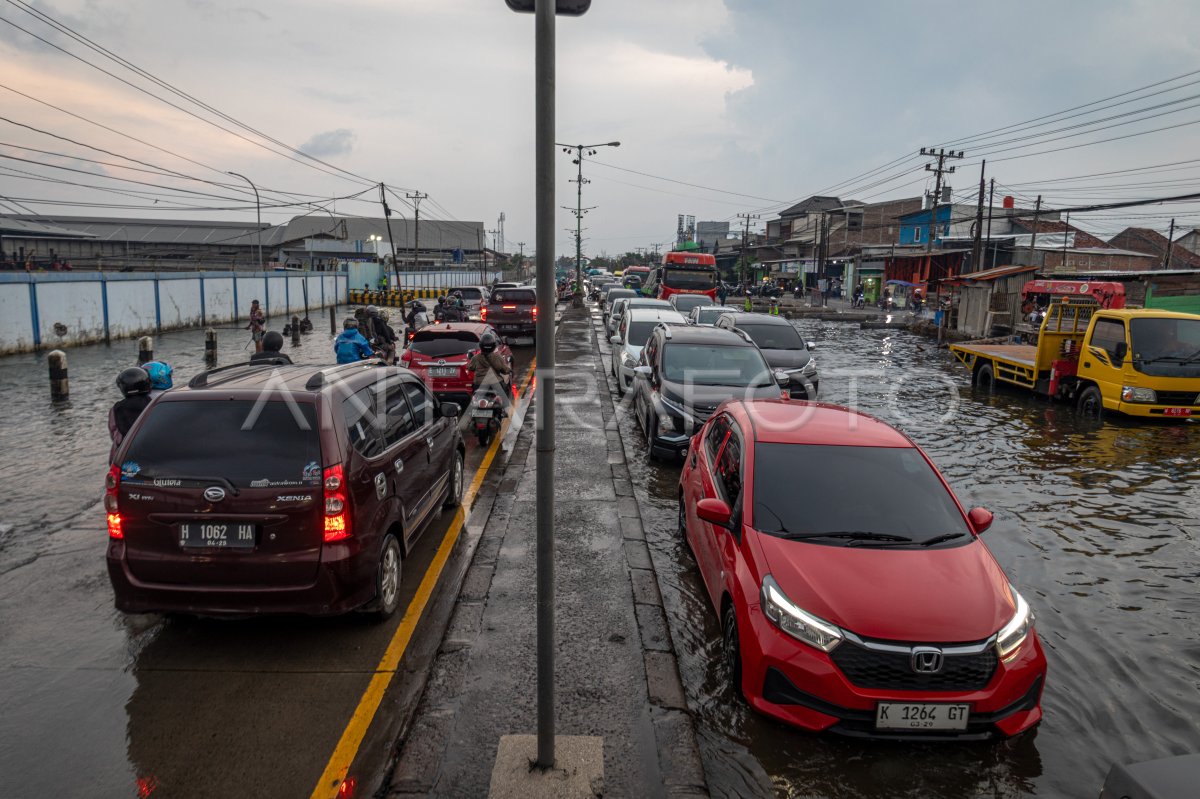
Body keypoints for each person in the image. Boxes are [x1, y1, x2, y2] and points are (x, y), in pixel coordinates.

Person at [108, 366, 153, 461]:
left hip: (124, 454)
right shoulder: (153, 403)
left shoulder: (116, 408)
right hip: (150, 450)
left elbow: (113, 431)